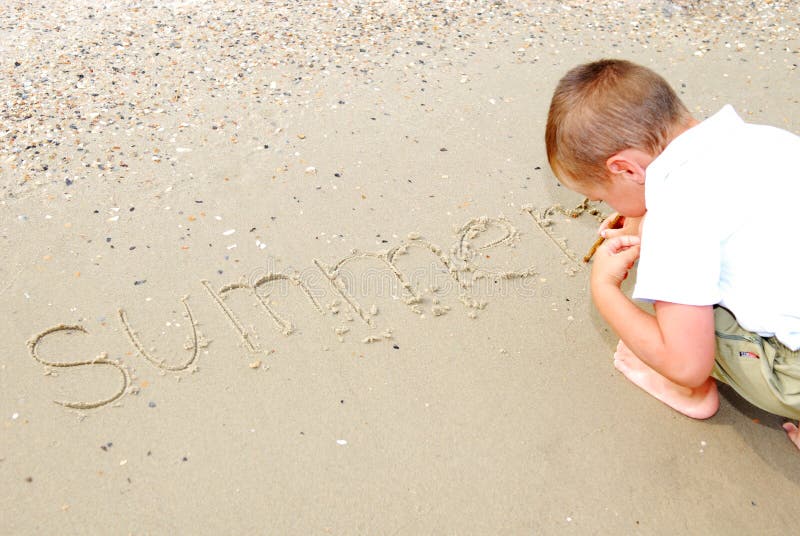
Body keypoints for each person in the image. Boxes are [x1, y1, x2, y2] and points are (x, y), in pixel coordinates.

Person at [544, 59, 800, 449]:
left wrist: (604, 289)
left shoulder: (676, 216)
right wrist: (644, 218)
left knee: (677, 323)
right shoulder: (770, 140)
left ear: (626, 168)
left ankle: (688, 396)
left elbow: (687, 363)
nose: (607, 206)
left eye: (600, 195)